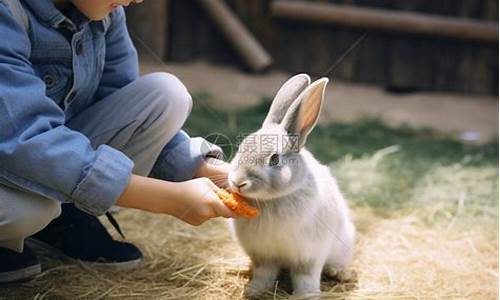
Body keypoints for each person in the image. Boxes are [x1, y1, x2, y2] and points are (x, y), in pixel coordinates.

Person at [0, 0, 238, 283]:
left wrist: (201, 169)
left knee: (165, 95)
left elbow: (120, 101)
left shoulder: (104, 16)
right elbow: (24, 139)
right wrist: (168, 200)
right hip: (16, 152)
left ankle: (61, 218)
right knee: (28, 211)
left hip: (37, 161)